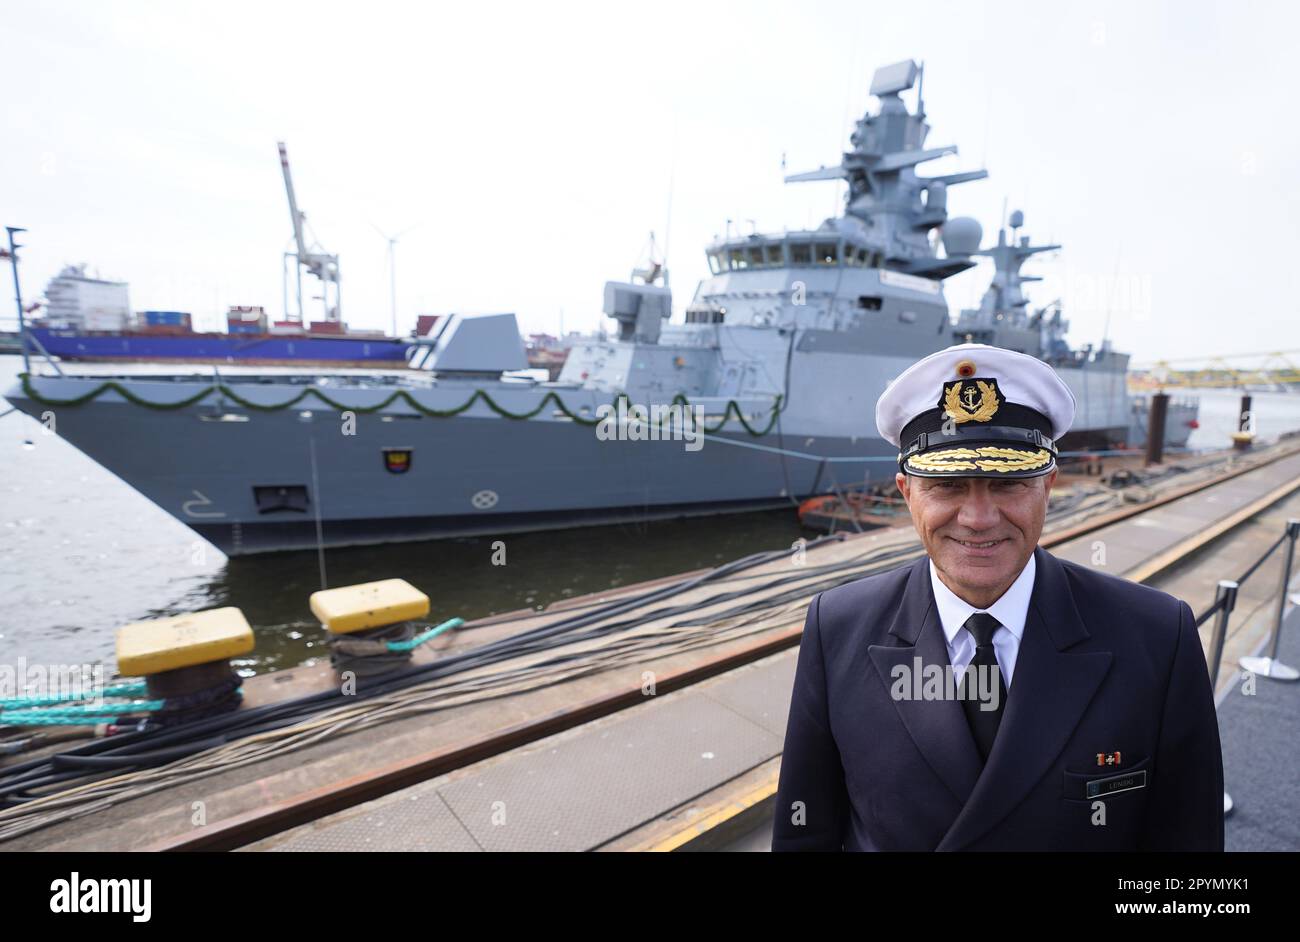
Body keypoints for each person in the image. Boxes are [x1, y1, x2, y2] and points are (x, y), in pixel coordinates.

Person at [771, 342, 1224, 851]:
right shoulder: (837, 628)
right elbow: (805, 831)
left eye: (1008, 484)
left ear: (1048, 486)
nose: (979, 519)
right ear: (906, 492)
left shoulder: (1158, 637)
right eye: (947, 486)